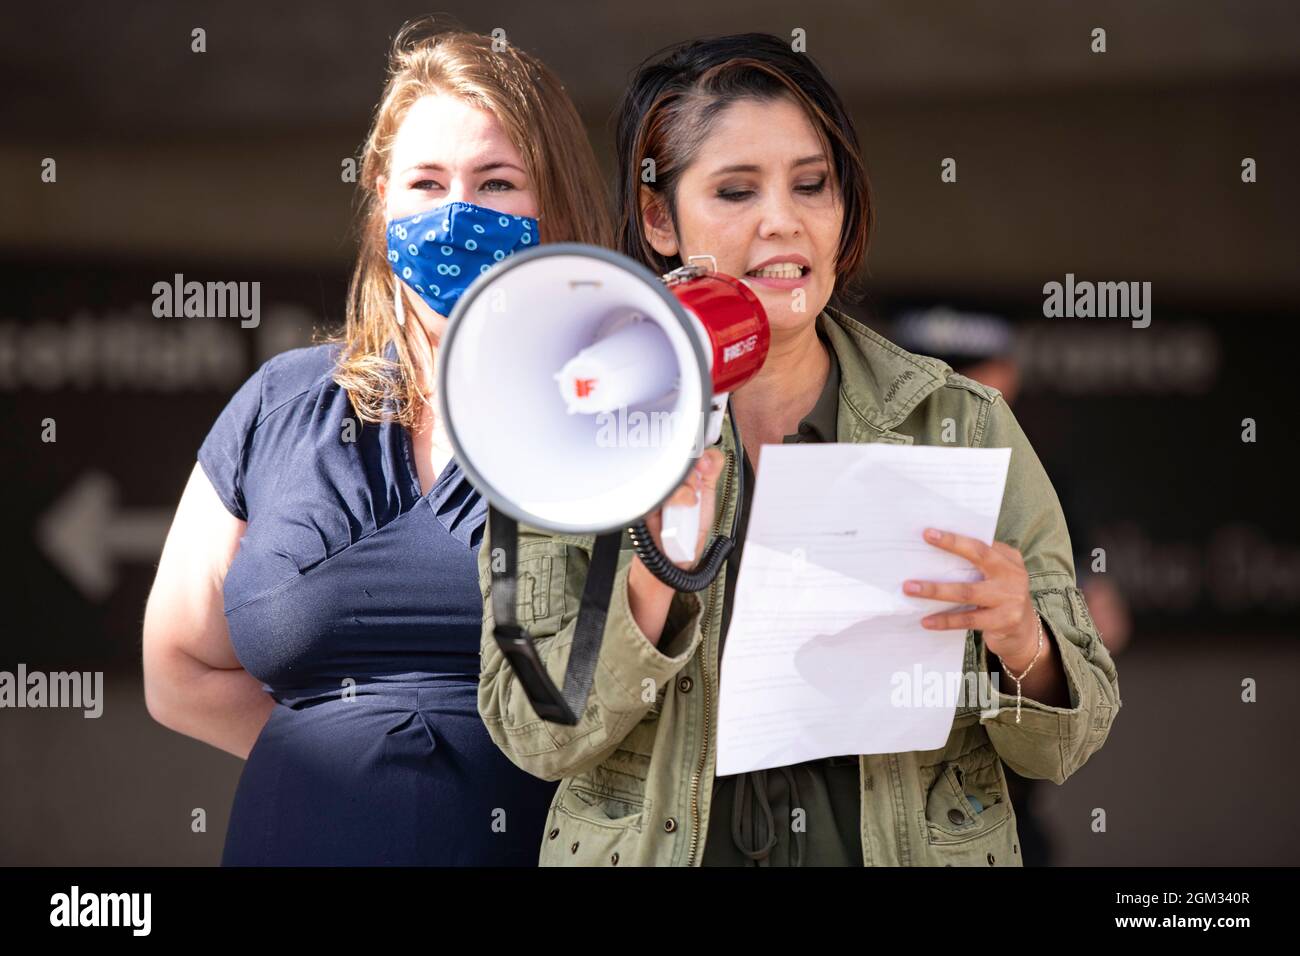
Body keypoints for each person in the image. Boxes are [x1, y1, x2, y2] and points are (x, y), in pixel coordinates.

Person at [477, 32, 1121, 867]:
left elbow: (1073, 737)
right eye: (736, 191)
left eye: (812, 185)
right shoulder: (571, 422)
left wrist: (1022, 639)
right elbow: (535, 733)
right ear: (660, 217)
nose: (783, 221)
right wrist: (651, 572)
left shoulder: (961, 418)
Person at [142, 19, 610, 865]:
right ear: (380, 199)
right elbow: (177, 668)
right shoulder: (279, 405)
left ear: (559, 204)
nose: (459, 213)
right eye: (427, 182)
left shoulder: (620, 415)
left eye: (498, 182)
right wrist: (348, 774)